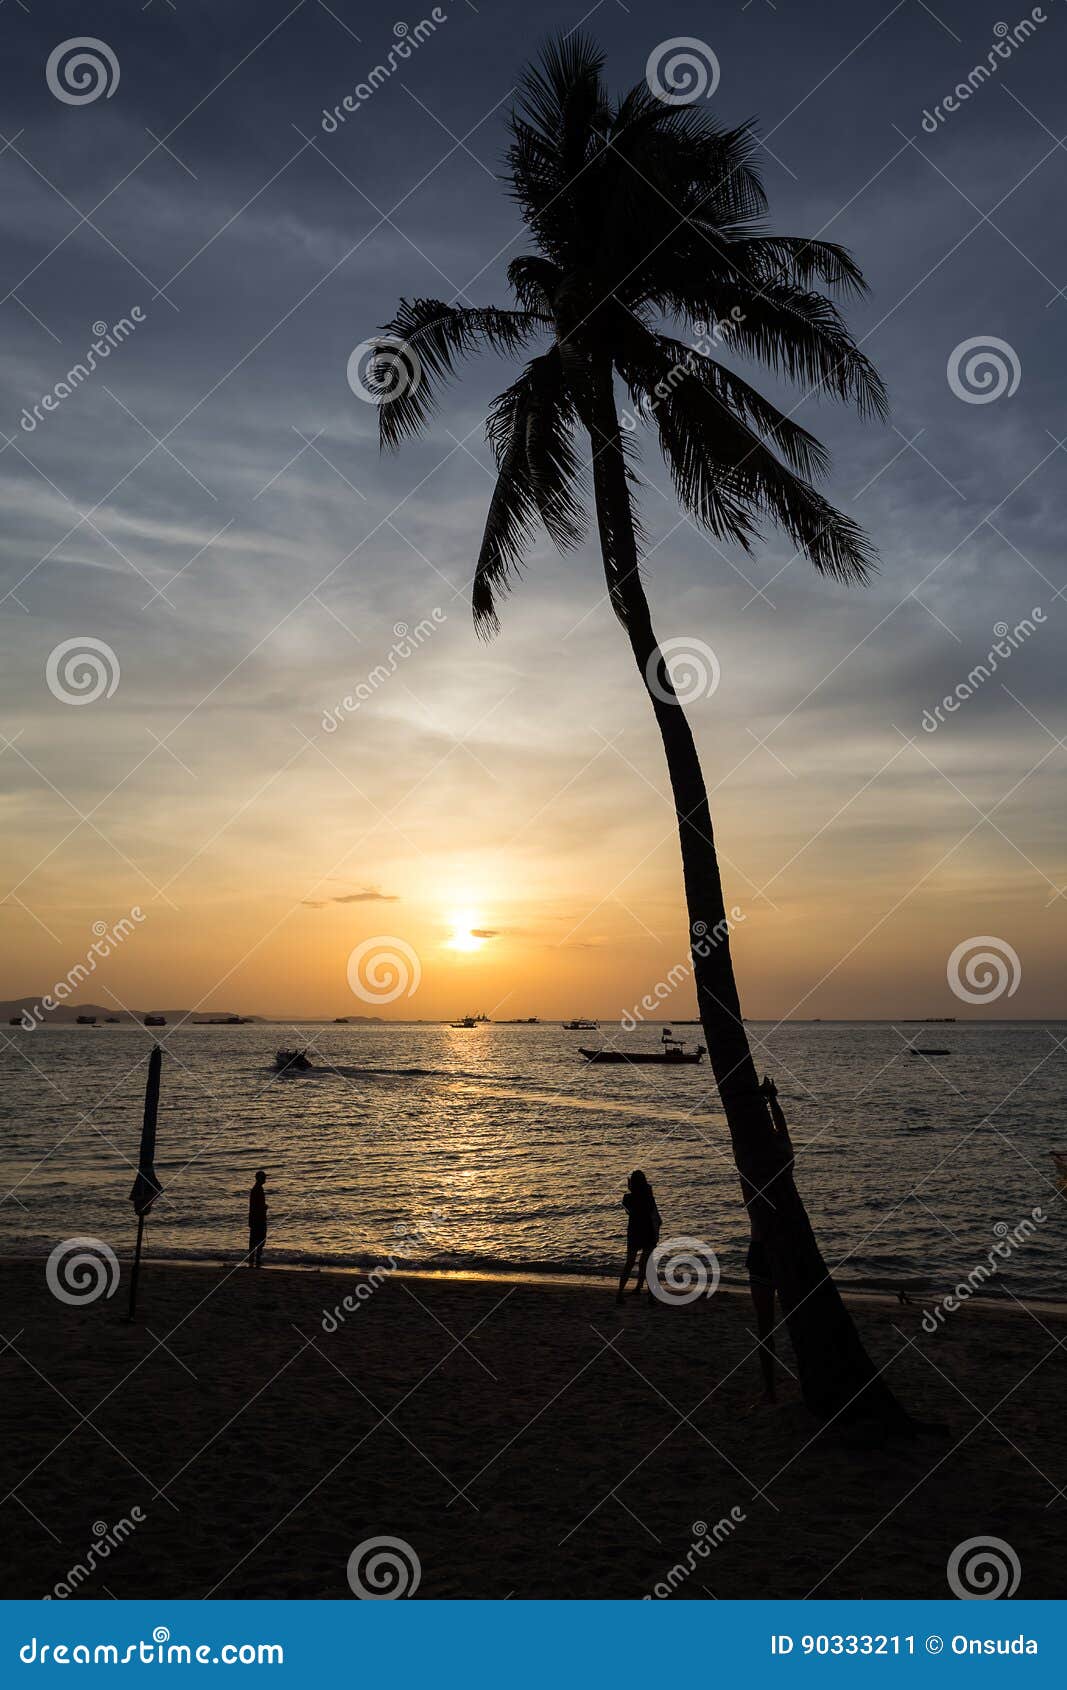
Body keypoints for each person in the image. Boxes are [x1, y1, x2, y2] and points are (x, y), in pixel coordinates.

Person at [746, 1076, 793, 1402]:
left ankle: (769, 1390)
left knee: (766, 1327)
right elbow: (783, 1134)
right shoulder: (785, 1163)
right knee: (795, 1323)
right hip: (786, 1248)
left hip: (764, 1250)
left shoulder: (752, 1166)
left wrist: (763, 1102)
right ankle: (771, 1389)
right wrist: (771, 1100)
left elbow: (749, 1135)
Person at [616, 1169, 661, 1304]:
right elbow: (655, 1215)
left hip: (634, 1232)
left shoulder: (627, 1198)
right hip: (647, 1232)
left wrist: (630, 1189)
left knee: (629, 1263)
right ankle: (651, 1296)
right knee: (647, 1264)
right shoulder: (649, 1197)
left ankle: (620, 1294)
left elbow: (629, 1212)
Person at [248, 1170, 268, 1267]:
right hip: (259, 1218)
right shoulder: (257, 1189)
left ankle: (253, 1258)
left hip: (255, 1218)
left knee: (255, 1239)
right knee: (260, 1239)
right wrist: (264, 1207)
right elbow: (256, 1206)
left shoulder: (256, 1189)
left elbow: (252, 1206)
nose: (265, 1179)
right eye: (264, 1177)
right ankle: (256, 1258)